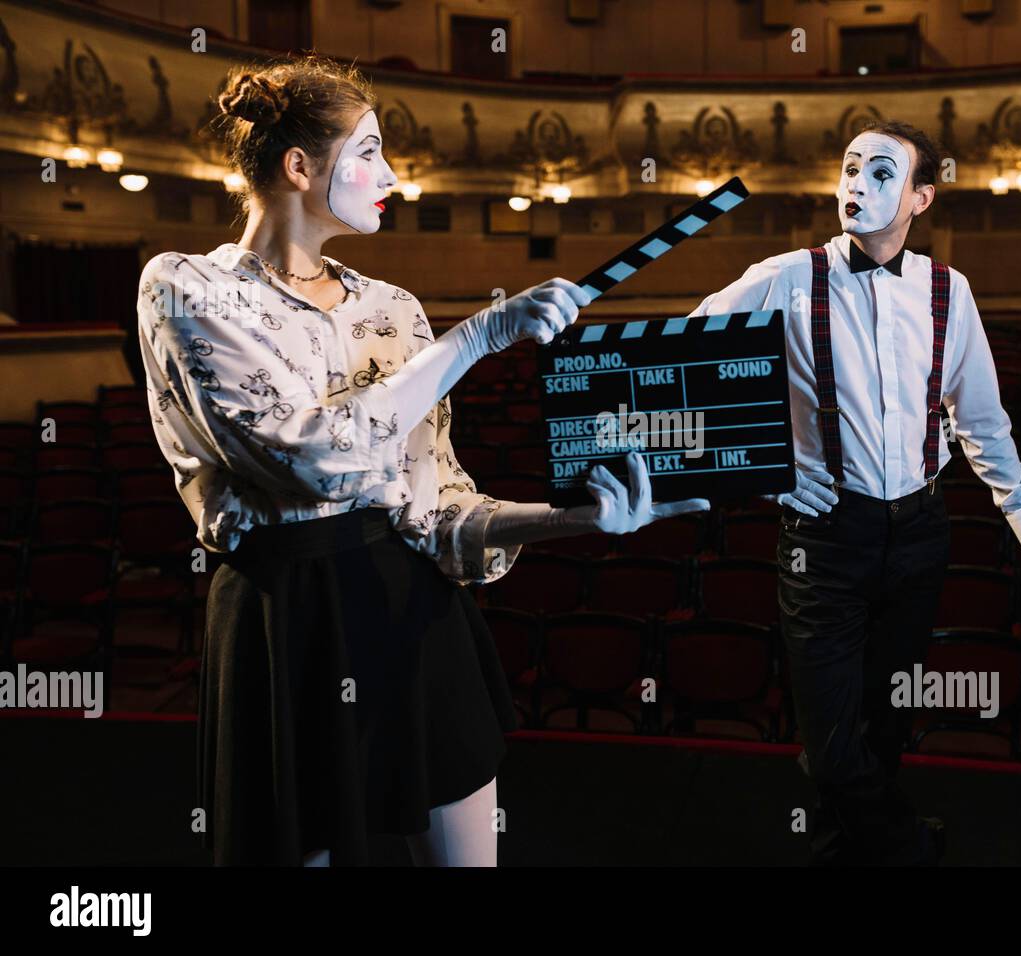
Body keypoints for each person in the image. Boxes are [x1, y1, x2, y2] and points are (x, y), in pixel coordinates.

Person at [137, 56, 708, 867]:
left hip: (413, 608)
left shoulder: (395, 310)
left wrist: (576, 520)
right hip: (287, 620)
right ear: (300, 167)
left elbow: (436, 510)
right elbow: (313, 462)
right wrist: (475, 338)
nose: (392, 176)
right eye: (370, 153)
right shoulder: (187, 288)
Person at [689, 120, 1021, 865]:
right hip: (826, 542)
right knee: (831, 748)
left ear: (920, 198)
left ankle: (860, 857)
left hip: (922, 536)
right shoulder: (783, 276)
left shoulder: (947, 290)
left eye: (880, 174)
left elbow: (984, 426)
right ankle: (911, 850)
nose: (856, 185)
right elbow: (683, 369)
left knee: (885, 724)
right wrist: (765, 468)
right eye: (849, 168)